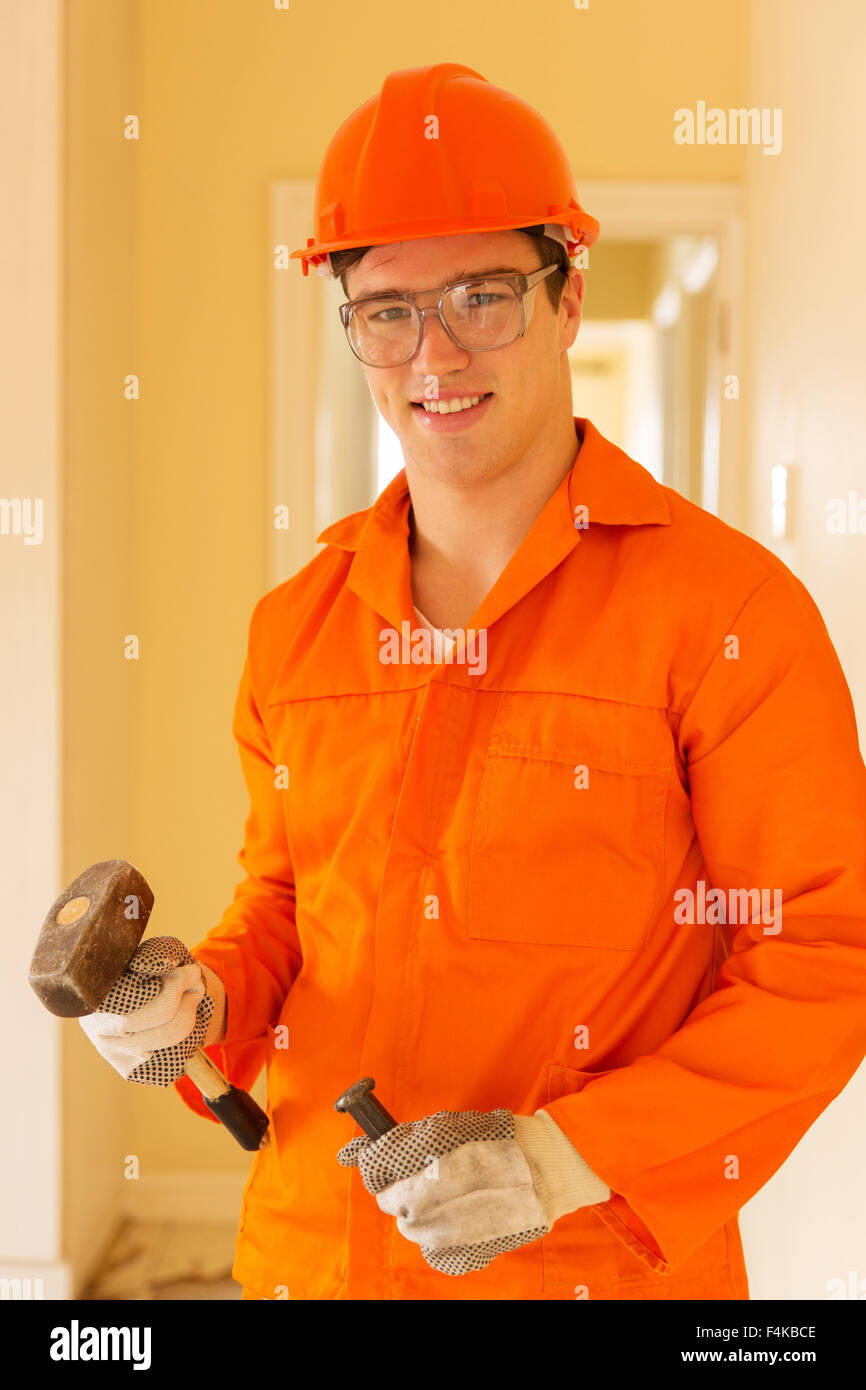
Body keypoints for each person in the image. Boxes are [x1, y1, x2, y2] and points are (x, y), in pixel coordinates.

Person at [81, 62, 866, 1302]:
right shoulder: (297, 626)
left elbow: (823, 955)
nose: (432, 351)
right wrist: (203, 997)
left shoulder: (726, 615)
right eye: (385, 309)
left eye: (481, 295)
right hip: (310, 1255)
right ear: (348, 327)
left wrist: (561, 1159)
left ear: (564, 297)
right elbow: (290, 902)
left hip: (583, 1273)